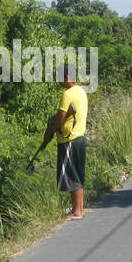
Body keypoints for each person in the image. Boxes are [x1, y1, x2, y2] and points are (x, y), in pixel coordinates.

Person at [41, 62, 88, 219]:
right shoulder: (81, 91)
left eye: (59, 77)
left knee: (72, 175)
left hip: (69, 140)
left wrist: (48, 133)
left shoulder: (68, 94)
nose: (58, 80)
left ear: (67, 77)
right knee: (78, 175)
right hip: (79, 138)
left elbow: (60, 118)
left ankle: (77, 211)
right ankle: (79, 209)